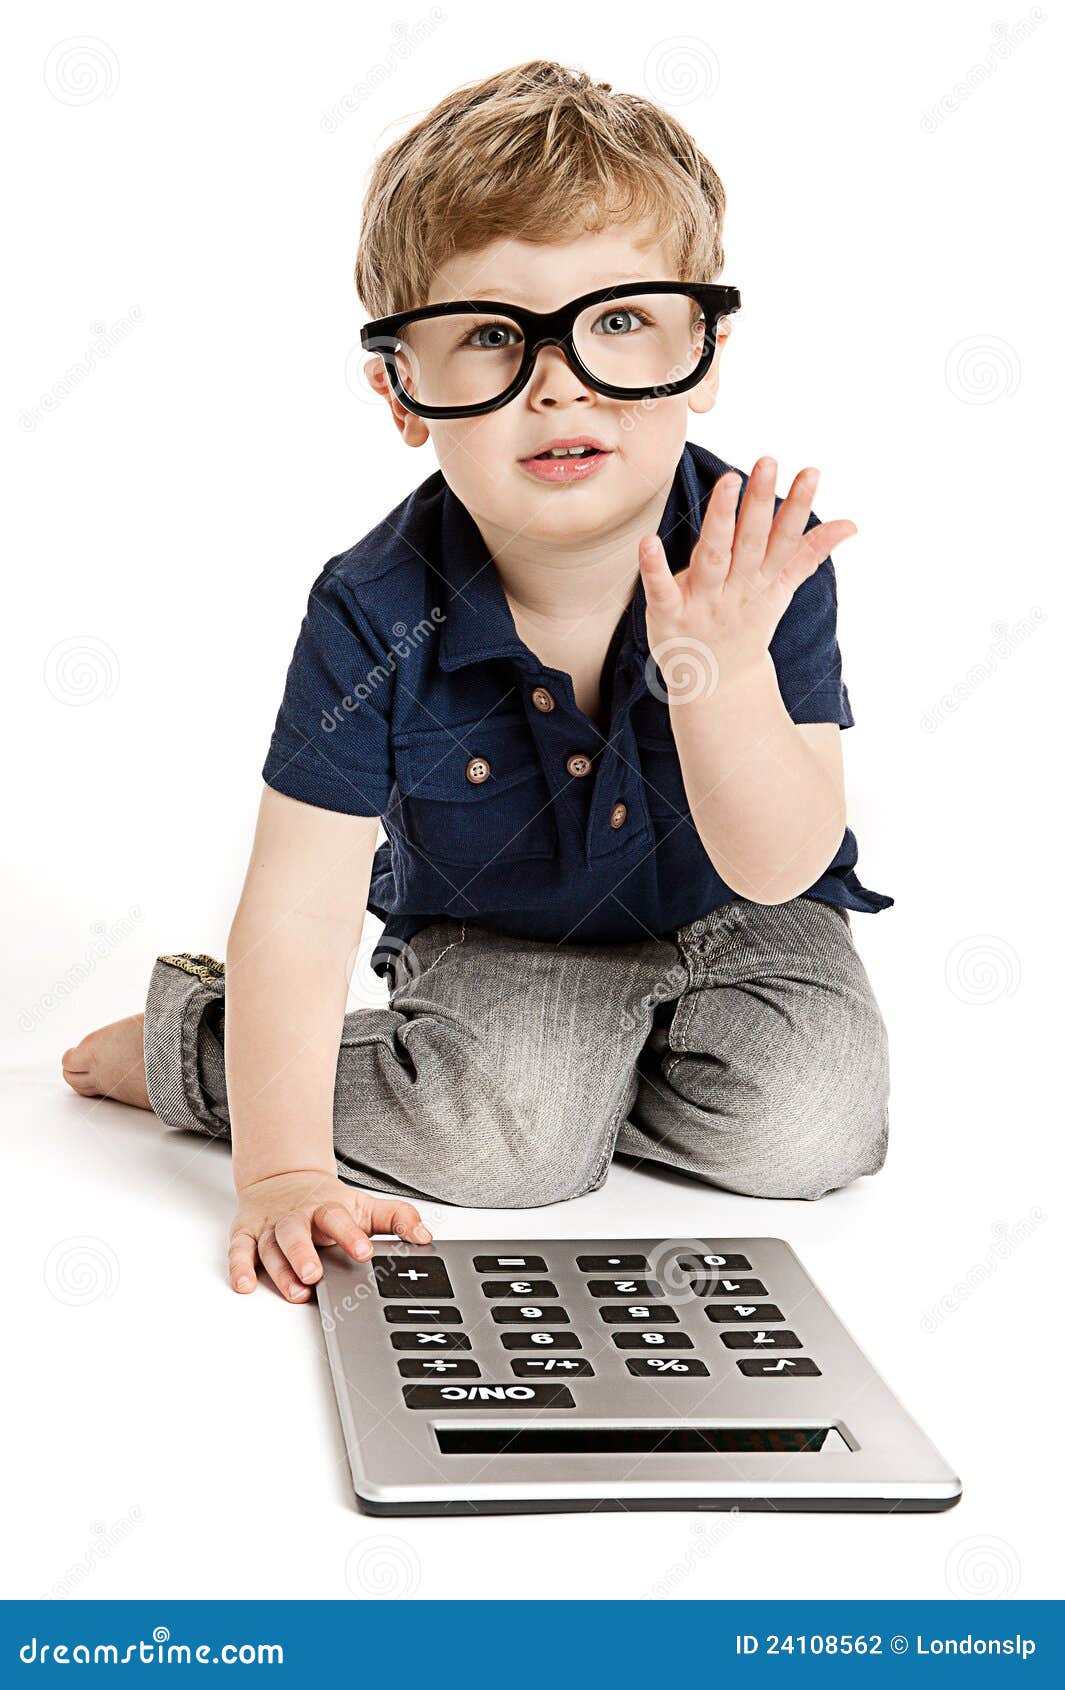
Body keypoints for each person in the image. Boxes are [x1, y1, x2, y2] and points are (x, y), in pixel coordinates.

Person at [62, 59, 892, 1305]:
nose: (561, 380)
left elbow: (783, 864)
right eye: (494, 336)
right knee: (504, 1152)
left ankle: (550, 1077)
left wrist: (718, 667)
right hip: (505, 937)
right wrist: (283, 1170)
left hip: (736, 915)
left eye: (620, 322)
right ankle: (213, 1053)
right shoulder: (372, 607)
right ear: (404, 390)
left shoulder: (758, 561)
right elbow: (300, 909)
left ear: (704, 349)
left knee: (813, 1124)